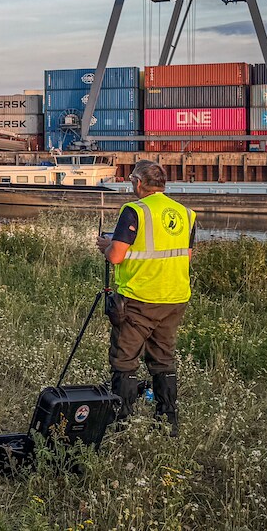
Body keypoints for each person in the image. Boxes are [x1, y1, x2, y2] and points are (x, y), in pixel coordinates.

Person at [96, 160, 195, 437]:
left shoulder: (134, 210)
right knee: (163, 359)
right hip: (174, 298)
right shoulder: (186, 213)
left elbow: (116, 256)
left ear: (138, 182)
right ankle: (167, 421)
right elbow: (186, 256)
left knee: (125, 360)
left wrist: (106, 247)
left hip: (140, 298)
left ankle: (121, 421)